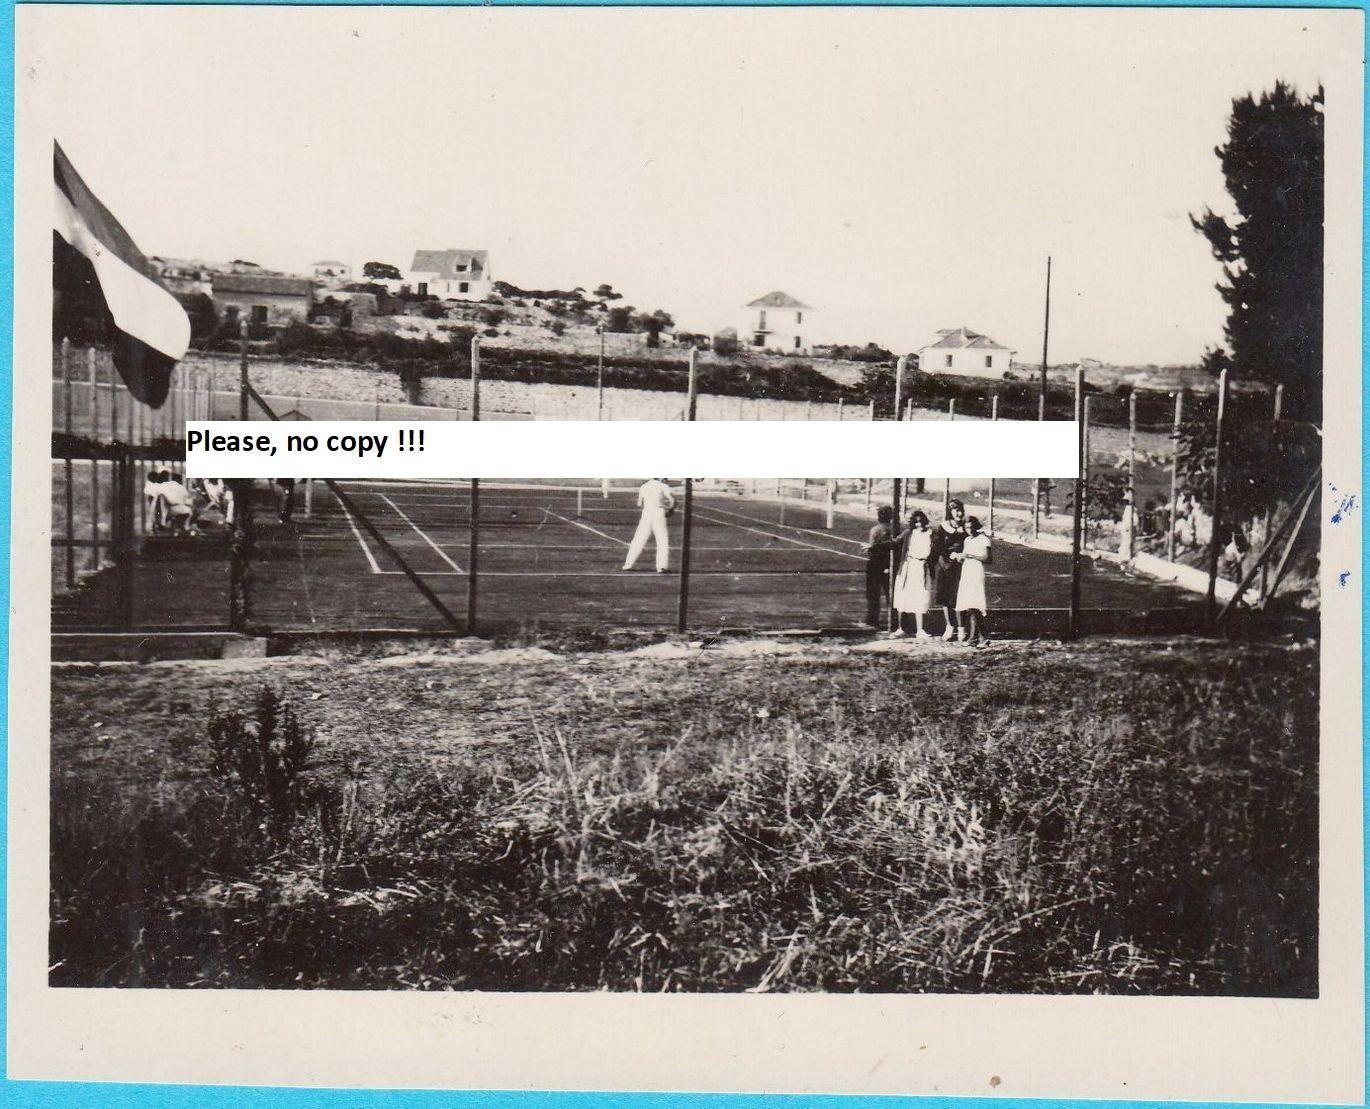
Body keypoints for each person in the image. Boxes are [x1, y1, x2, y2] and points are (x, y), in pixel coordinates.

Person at [890, 509, 933, 637]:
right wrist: (874, 546)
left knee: (920, 597)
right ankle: (900, 628)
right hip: (908, 567)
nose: (919, 525)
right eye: (916, 522)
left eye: (921, 522)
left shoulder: (930, 534)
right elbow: (894, 542)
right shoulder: (909, 533)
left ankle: (920, 630)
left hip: (922, 568)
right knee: (902, 596)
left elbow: (938, 548)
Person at [929, 499, 967, 640]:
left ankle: (962, 628)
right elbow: (937, 546)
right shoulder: (943, 527)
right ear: (950, 512)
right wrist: (947, 555)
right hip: (946, 566)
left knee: (959, 597)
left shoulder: (965, 528)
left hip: (961, 566)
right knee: (946, 599)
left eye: (960, 510)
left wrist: (962, 555)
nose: (959, 513)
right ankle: (949, 626)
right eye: (956, 510)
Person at [622, 477, 675, 572]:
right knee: (662, 539)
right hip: (658, 512)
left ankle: (628, 564)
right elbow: (672, 501)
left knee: (639, 538)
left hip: (646, 512)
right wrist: (670, 509)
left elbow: (639, 503)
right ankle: (662, 566)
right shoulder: (663, 486)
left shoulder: (644, 486)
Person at [955, 515, 992, 648]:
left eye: (971, 527)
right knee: (970, 606)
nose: (969, 530)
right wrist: (960, 557)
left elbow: (988, 559)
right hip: (967, 571)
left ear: (976, 526)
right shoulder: (967, 540)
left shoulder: (983, 539)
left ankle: (977, 637)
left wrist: (970, 555)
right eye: (966, 527)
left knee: (975, 604)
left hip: (976, 572)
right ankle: (980, 637)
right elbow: (965, 556)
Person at [861, 505, 897, 627]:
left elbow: (872, 547)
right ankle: (893, 620)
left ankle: (872, 619)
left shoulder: (875, 530)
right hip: (889, 562)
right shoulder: (895, 529)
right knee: (890, 592)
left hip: (876, 563)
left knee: (873, 593)